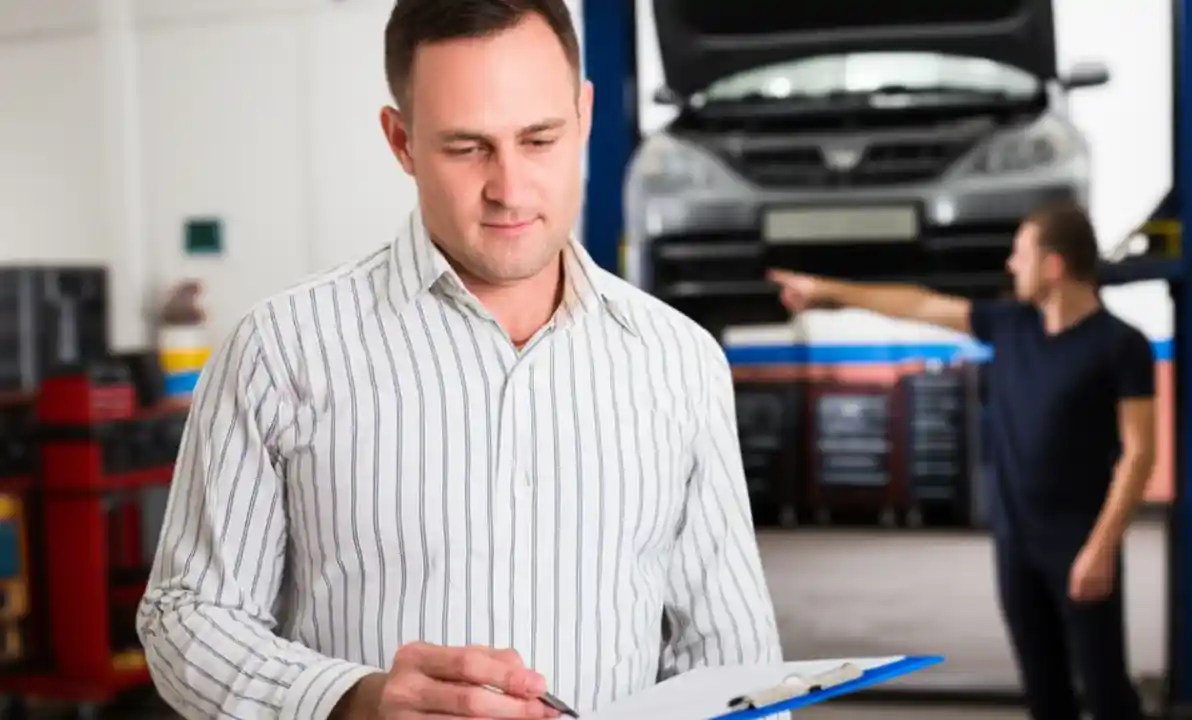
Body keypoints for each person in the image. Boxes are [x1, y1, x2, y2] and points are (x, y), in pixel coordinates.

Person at [136, 1, 782, 717]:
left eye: (539, 139)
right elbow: (186, 617)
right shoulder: (282, 350)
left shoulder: (678, 361)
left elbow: (731, 653)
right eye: (467, 148)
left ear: (585, 113)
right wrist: (354, 699)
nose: (509, 188)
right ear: (401, 140)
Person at [770, 201, 1156, 720]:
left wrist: (1102, 547)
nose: (1010, 265)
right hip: (1016, 546)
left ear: (1054, 266)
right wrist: (829, 296)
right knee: (1045, 696)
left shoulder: (1121, 346)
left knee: (1109, 695)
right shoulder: (1011, 325)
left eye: (1020, 254)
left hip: (1081, 543)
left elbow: (1140, 451)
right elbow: (918, 305)